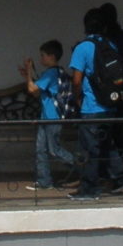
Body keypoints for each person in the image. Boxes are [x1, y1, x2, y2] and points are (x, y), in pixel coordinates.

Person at [68, 2, 123, 200]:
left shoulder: (82, 48)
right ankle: (122, 179)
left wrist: (77, 99)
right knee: (107, 145)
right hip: (109, 106)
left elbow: (76, 80)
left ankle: (89, 189)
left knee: (89, 150)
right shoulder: (109, 45)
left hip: (91, 107)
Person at [19, 40, 76, 191]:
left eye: (43, 55)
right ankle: (44, 181)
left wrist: (29, 72)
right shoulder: (55, 72)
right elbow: (37, 91)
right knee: (41, 149)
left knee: (53, 149)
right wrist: (28, 75)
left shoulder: (51, 73)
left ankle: (82, 166)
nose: (41, 59)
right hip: (46, 117)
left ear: (51, 56)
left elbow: (32, 90)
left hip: (53, 117)